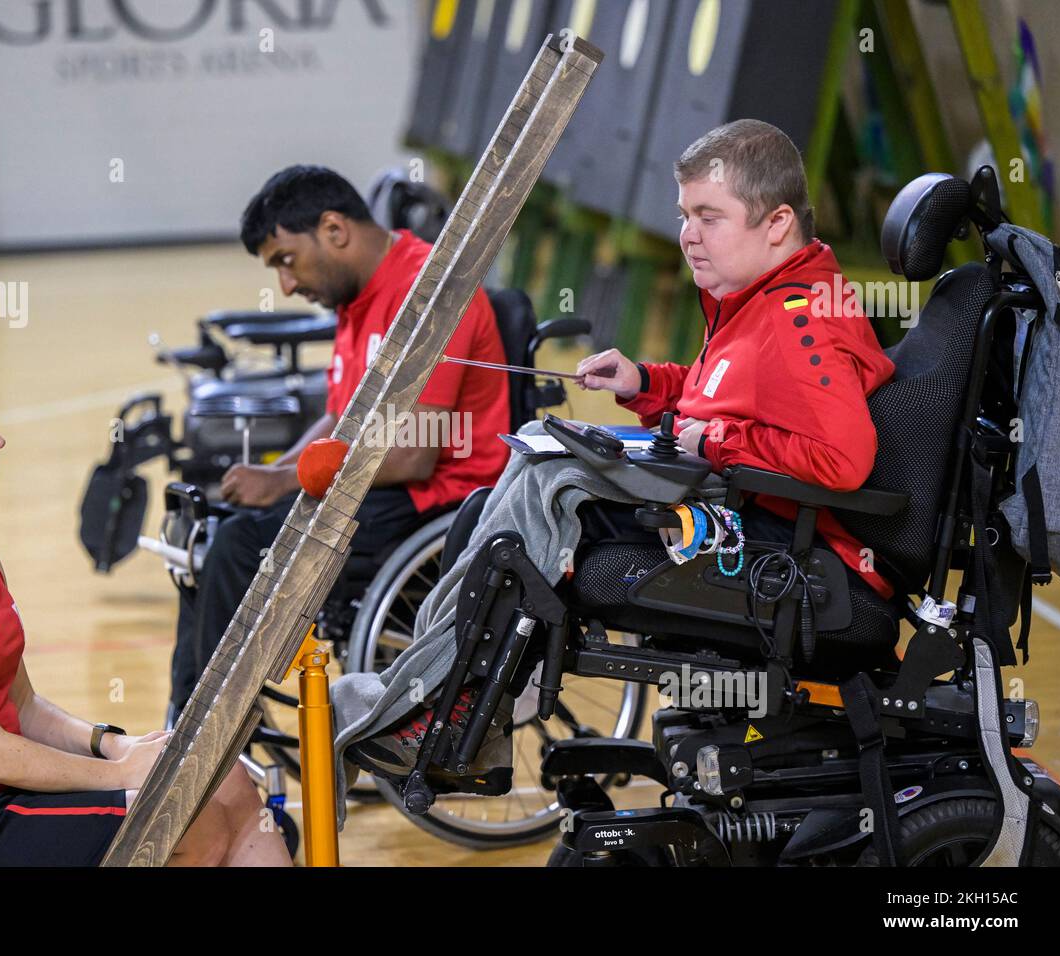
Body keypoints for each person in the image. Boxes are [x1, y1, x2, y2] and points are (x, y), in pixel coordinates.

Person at [346, 119, 897, 785]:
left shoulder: (799, 318)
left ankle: (455, 708)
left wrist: (714, 442)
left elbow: (842, 460)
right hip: (751, 519)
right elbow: (716, 398)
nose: (688, 233)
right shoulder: (751, 302)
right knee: (494, 506)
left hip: (800, 555)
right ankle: (450, 703)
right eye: (684, 214)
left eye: (708, 216)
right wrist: (647, 384)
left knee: (539, 512)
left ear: (777, 223)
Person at [0, 343, 291, 866]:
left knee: (225, 777)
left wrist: (116, 746)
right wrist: (123, 776)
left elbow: (24, 707)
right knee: (192, 817)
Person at [169, 165, 510, 716]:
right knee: (206, 533)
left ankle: (212, 749)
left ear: (333, 229)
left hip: (442, 502)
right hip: (382, 489)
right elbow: (339, 420)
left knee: (238, 550)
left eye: (285, 260)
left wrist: (285, 479)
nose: (285, 284)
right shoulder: (356, 299)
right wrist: (279, 471)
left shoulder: (432, 291)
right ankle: (181, 731)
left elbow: (411, 454)